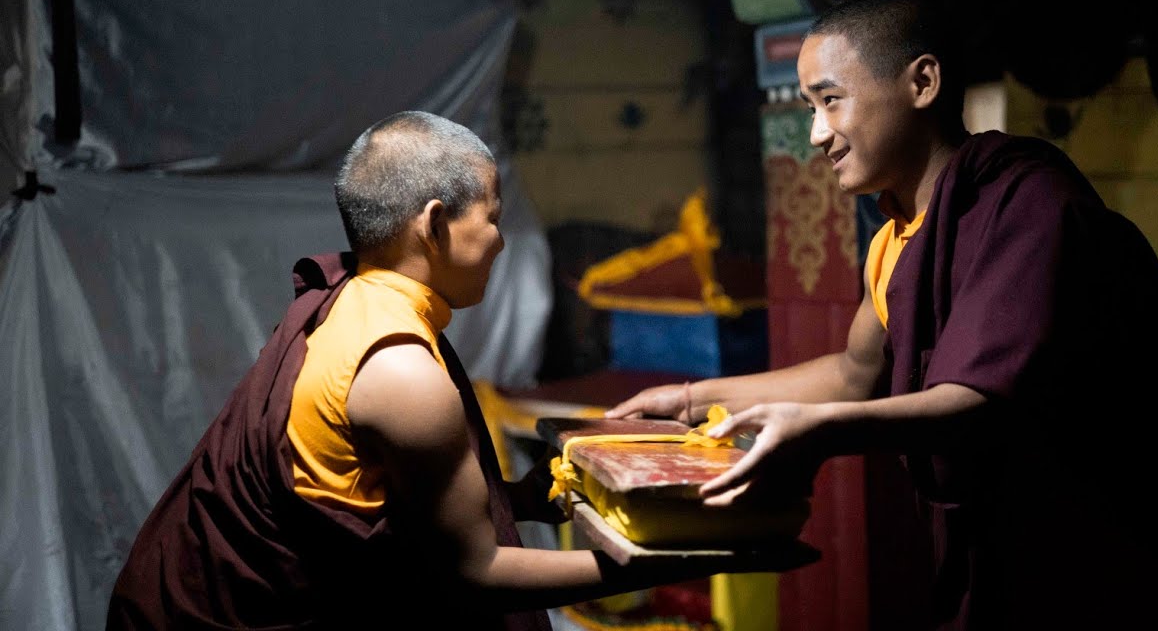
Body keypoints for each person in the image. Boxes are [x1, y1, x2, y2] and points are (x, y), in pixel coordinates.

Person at [607, 0, 1158, 630]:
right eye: (810, 108)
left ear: (922, 83)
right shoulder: (897, 236)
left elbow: (983, 402)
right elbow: (853, 373)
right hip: (1009, 546)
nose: (816, 134)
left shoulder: (1030, 204)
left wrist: (819, 432)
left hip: (1127, 538)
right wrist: (692, 401)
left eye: (831, 101)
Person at [106, 111, 794, 631]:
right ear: (434, 224)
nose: (499, 239)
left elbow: (398, 506)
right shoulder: (401, 372)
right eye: (492, 218)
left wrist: (522, 500)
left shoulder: (346, 300)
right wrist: (690, 558)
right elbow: (478, 572)